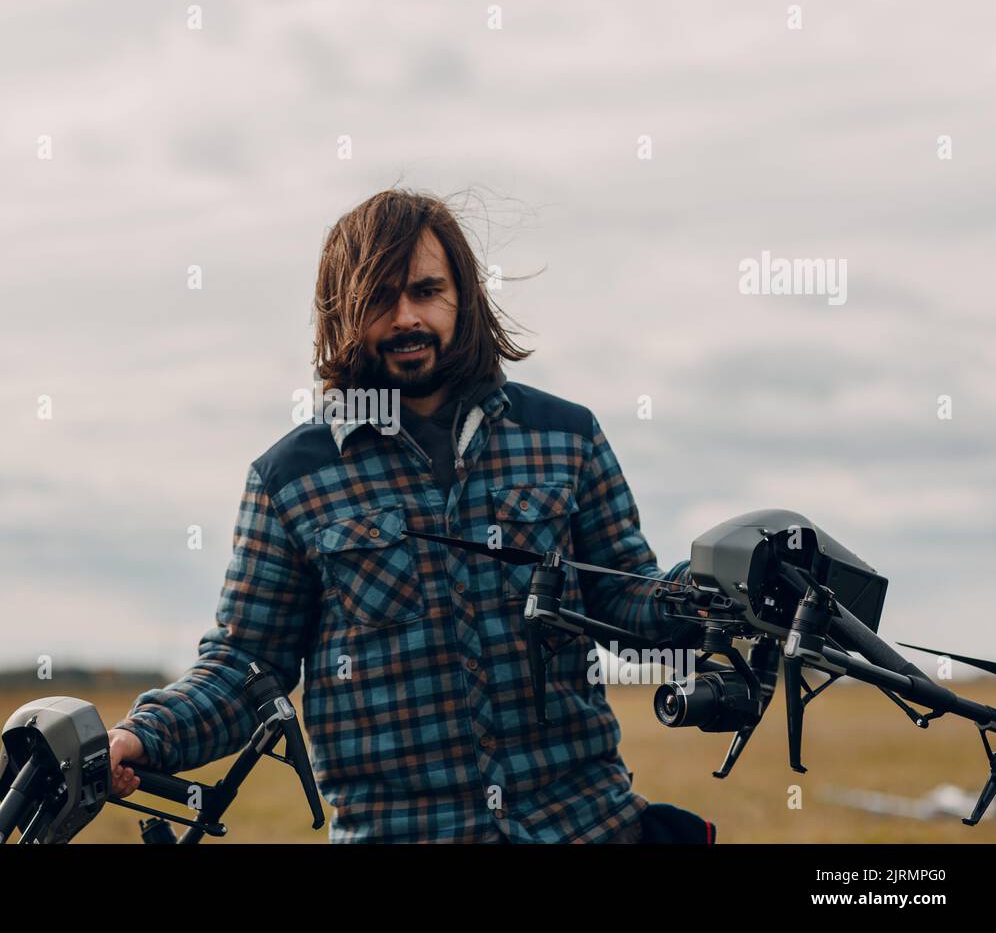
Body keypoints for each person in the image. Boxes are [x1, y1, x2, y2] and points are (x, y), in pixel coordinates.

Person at [108, 188, 692, 842]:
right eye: (380, 300)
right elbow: (248, 666)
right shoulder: (291, 477)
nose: (406, 316)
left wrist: (713, 594)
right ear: (343, 313)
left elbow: (625, 601)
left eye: (425, 290)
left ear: (462, 295)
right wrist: (141, 735)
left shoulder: (565, 436)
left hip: (586, 825)